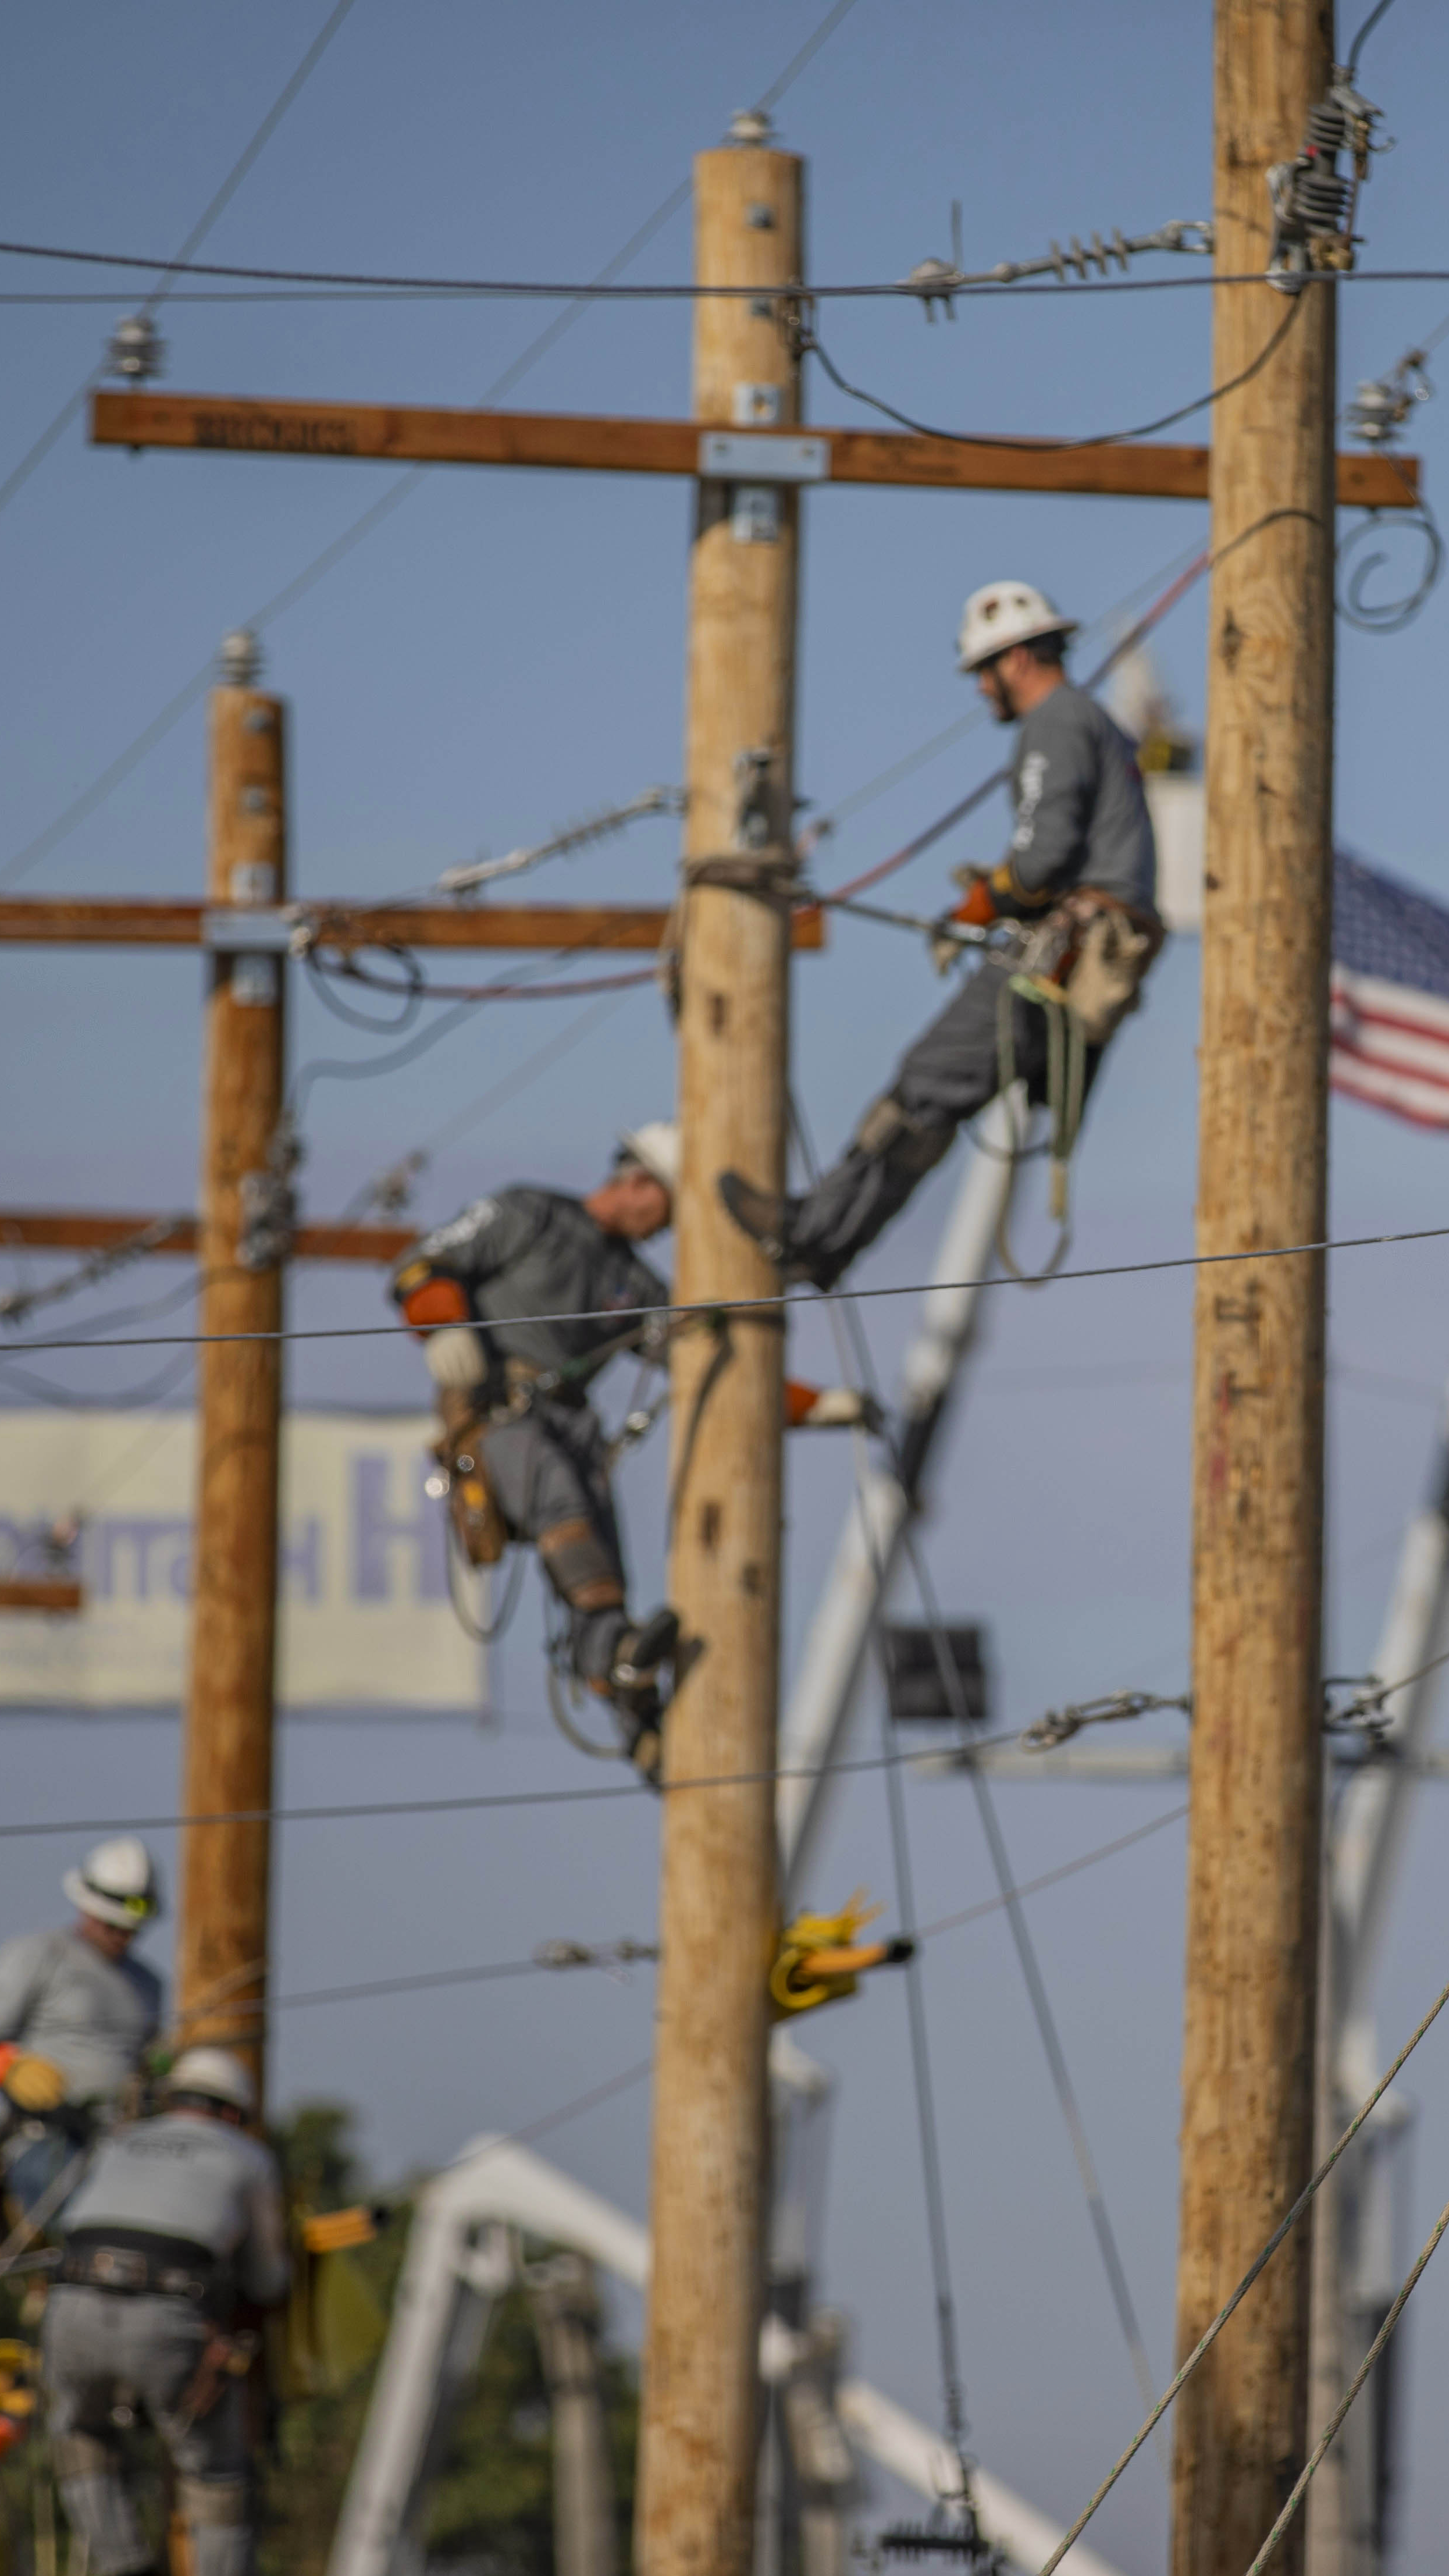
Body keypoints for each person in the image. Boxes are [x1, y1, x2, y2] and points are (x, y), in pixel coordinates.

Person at [723, 580, 1159, 1291]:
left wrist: (979, 908)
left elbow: (1043, 859)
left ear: (1016, 659)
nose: (983, 691)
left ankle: (817, 1234)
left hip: (1057, 955)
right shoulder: (1092, 725)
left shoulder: (1055, 722)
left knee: (921, 1088)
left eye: (984, 673)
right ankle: (828, 1242)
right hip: (1083, 961)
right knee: (935, 1099)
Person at [393, 1126, 685, 1752]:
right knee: (560, 1502)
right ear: (637, 1183)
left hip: (572, 1424)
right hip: (496, 1407)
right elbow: (423, 1263)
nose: (669, 1229)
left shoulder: (634, 1284)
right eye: (670, 1207)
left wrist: (812, 1403)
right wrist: (443, 1326)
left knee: (603, 1561)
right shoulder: (531, 1213)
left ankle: (636, 1710)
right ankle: (620, 1658)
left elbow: (706, 1356)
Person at [42, 2047, 290, 2576]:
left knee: (79, 2435)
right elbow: (269, 2281)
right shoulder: (248, 2157)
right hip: (166, 2314)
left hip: (71, 2305)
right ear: (234, 2112)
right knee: (215, 2470)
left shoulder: (120, 2140)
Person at [0, 1838, 166, 2229]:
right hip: (46, 2141)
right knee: (90, 2222)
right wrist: (9, 2070)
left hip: (122, 2142)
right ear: (85, 1903)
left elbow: (152, 2064)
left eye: (131, 1923)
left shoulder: (148, 1984)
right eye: (112, 1920)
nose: (122, 1932)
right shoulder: (38, 1955)